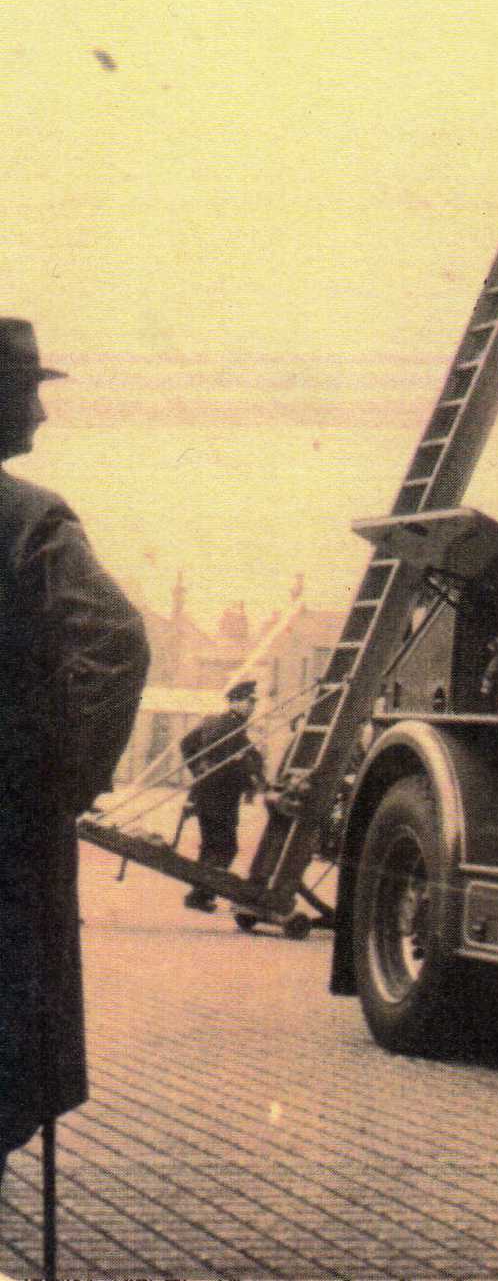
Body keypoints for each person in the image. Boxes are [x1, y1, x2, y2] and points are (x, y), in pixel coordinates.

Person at [0, 318, 150, 1187]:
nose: (41, 413)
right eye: (28, 389)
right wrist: (68, 775)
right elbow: (116, 642)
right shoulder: (29, 520)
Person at [179, 678, 264, 909]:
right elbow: (239, 764)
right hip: (221, 796)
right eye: (248, 702)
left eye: (253, 703)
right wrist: (253, 783)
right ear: (235, 702)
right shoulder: (232, 729)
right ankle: (202, 895)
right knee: (226, 847)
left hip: (204, 794)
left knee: (210, 846)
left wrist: (197, 769)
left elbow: (185, 743)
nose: (252, 707)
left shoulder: (214, 722)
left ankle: (198, 896)